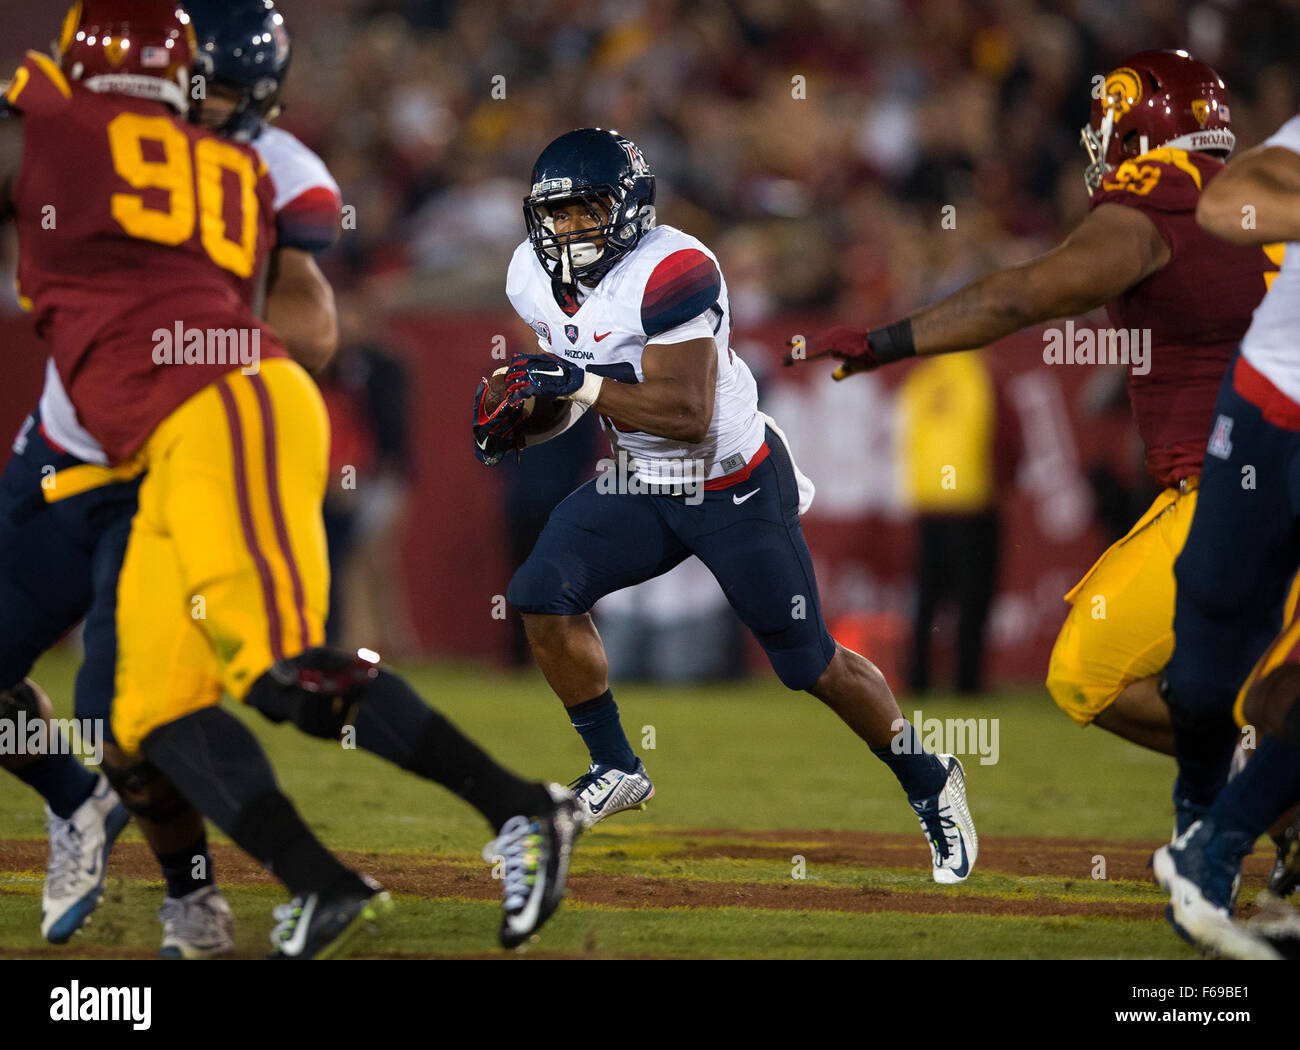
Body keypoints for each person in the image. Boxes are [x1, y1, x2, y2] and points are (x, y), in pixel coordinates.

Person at [0, 0, 578, 956]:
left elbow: (302, 324)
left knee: (282, 669)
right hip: (157, 434)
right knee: (140, 713)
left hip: (220, 414)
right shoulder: (226, 166)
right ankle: (321, 884)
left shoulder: (72, 119)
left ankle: (523, 811)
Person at [473, 128, 977, 884]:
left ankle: (929, 777)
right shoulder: (528, 277)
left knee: (811, 664)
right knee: (539, 593)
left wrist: (568, 385)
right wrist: (530, 415)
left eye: (585, 212)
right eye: (558, 215)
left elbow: (685, 412)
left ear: (629, 209)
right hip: (639, 480)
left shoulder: (675, 269)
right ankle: (615, 766)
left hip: (728, 480)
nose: (568, 230)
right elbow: (577, 392)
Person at [790, 52, 1278, 763]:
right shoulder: (1263, 190)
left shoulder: (1162, 189)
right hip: (1276, 477)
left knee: (1089, 674)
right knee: (1250, 680)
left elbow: (1024, 295)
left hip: (1228, 492)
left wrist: (886, 340)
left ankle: (1268, 797)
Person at [1150, 111, 1300, 959]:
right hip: (1270, 400)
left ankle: (1217, 850)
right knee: (1204, 668)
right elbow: (1228, 203)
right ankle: (1202, 817)